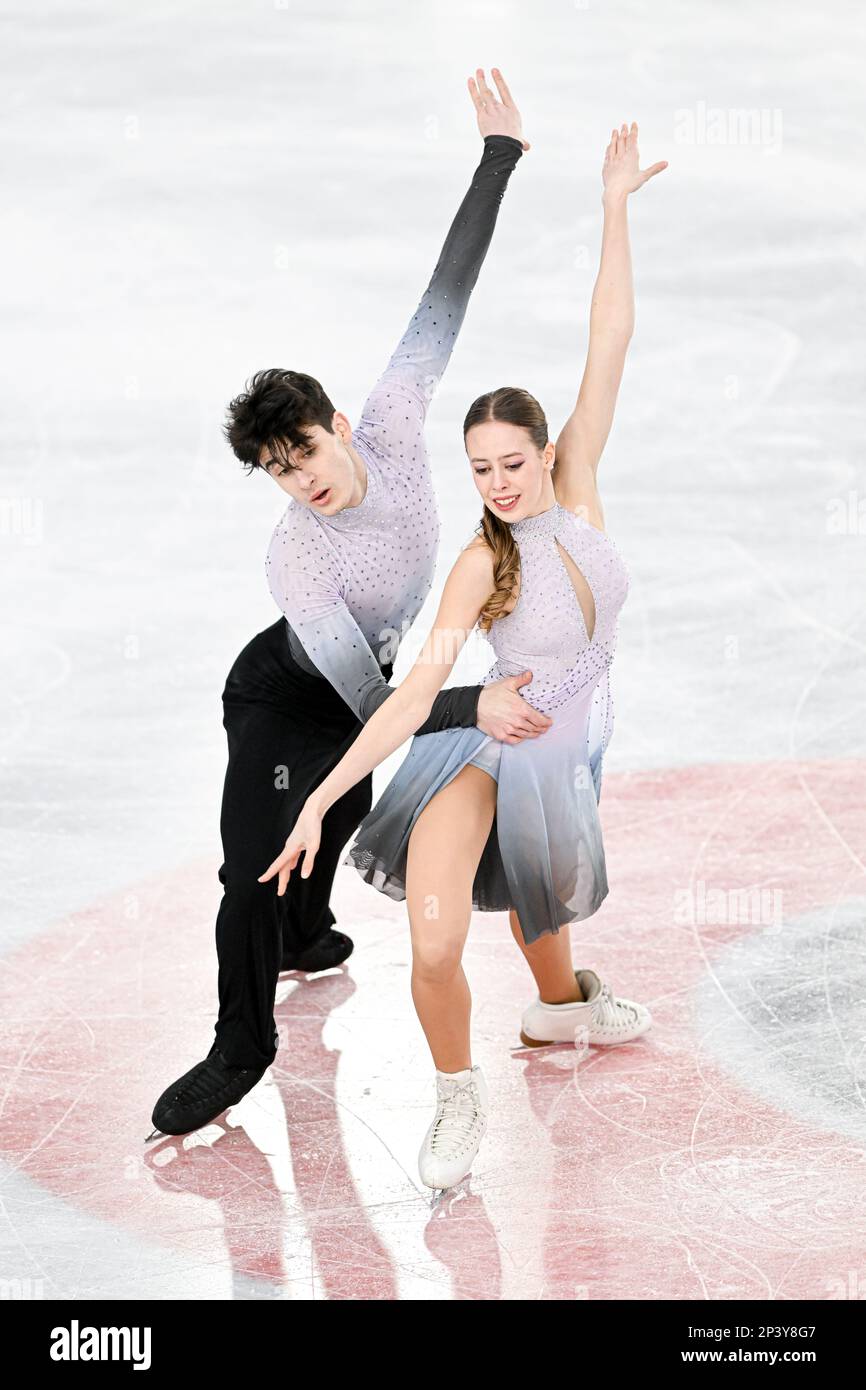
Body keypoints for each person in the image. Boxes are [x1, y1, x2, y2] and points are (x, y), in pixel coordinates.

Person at [259, 122, 668, 1190]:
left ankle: (559, 1005)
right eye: (478, 467)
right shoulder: (475, 571)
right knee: (436, 942)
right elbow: (404, 703)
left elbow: (608, 340)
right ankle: (454, 1095)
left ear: (543, 451)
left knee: (546, 904)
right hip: (475, 750)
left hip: (561, 745)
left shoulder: (574, 489)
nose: (495, 482)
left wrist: (614, 208)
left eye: (509, 461)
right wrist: (319, 800)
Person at [148, 70, 551, 1140]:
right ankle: (241, 1040)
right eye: (280, 471)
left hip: (370, 684)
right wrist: (476, 700)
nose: (305, 478)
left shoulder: (392, 416)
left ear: (335, 420)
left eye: (305, 451)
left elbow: (444, 292)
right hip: (289, 691)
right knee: (264, 846)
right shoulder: (299, 563)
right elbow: (374, 700)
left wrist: (497, 157)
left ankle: (304, 936)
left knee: (344, 807)